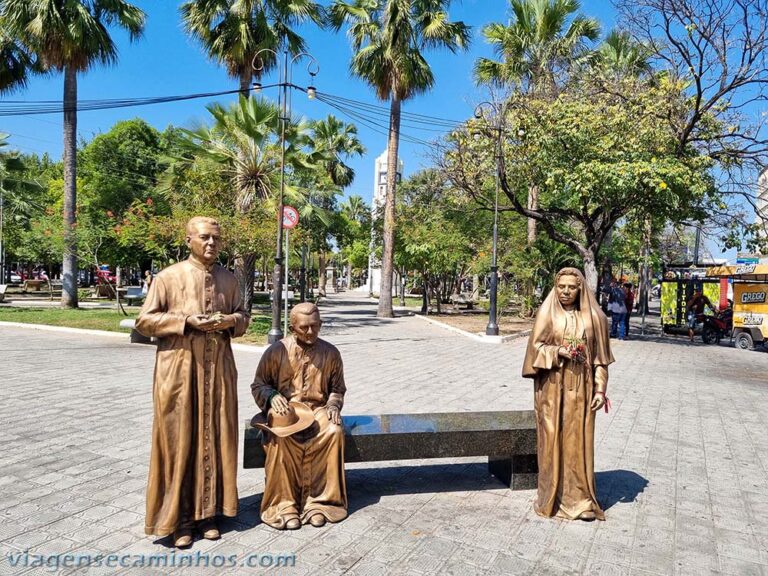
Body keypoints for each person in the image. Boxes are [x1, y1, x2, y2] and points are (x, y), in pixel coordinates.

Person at [136, 217, 250, 548]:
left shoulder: (230, 279)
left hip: (219, 374)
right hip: (180, 372)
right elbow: (145, 320)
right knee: (179, 439)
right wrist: (185, 321)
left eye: (216, 238)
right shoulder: (168, 277)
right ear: (189, 240)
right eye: (204, 238)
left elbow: (243, 316)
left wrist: (231, 320)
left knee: (217, 436)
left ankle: (210, 513)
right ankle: (180, 518)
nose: (211, 243)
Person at [522, 267, 614, 521]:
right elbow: (534, 350)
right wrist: (557, 352)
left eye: (571, 287)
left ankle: (582, 500)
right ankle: (551, 497)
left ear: (580, 288)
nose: (565, 292)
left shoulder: (594, 318)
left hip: (582, 391)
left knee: (578, 443)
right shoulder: (547, 313)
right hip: (552, 389)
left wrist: (600, 389)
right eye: (561, 286)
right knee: (552, 440)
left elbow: (600, 359)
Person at [251, 302, 347, 530]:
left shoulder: (331, 353)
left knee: (334, 432)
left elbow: (337, 389)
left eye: (315, 326)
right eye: (304, 328)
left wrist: (334, 405)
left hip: (317, 411)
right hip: (288, 412)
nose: (310, 332)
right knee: (281, 439)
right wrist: (272, 396)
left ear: (321, 324)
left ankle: (320, 503)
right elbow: (258, 385)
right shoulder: (276, 352)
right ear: (293, 328)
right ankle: (285, 505)